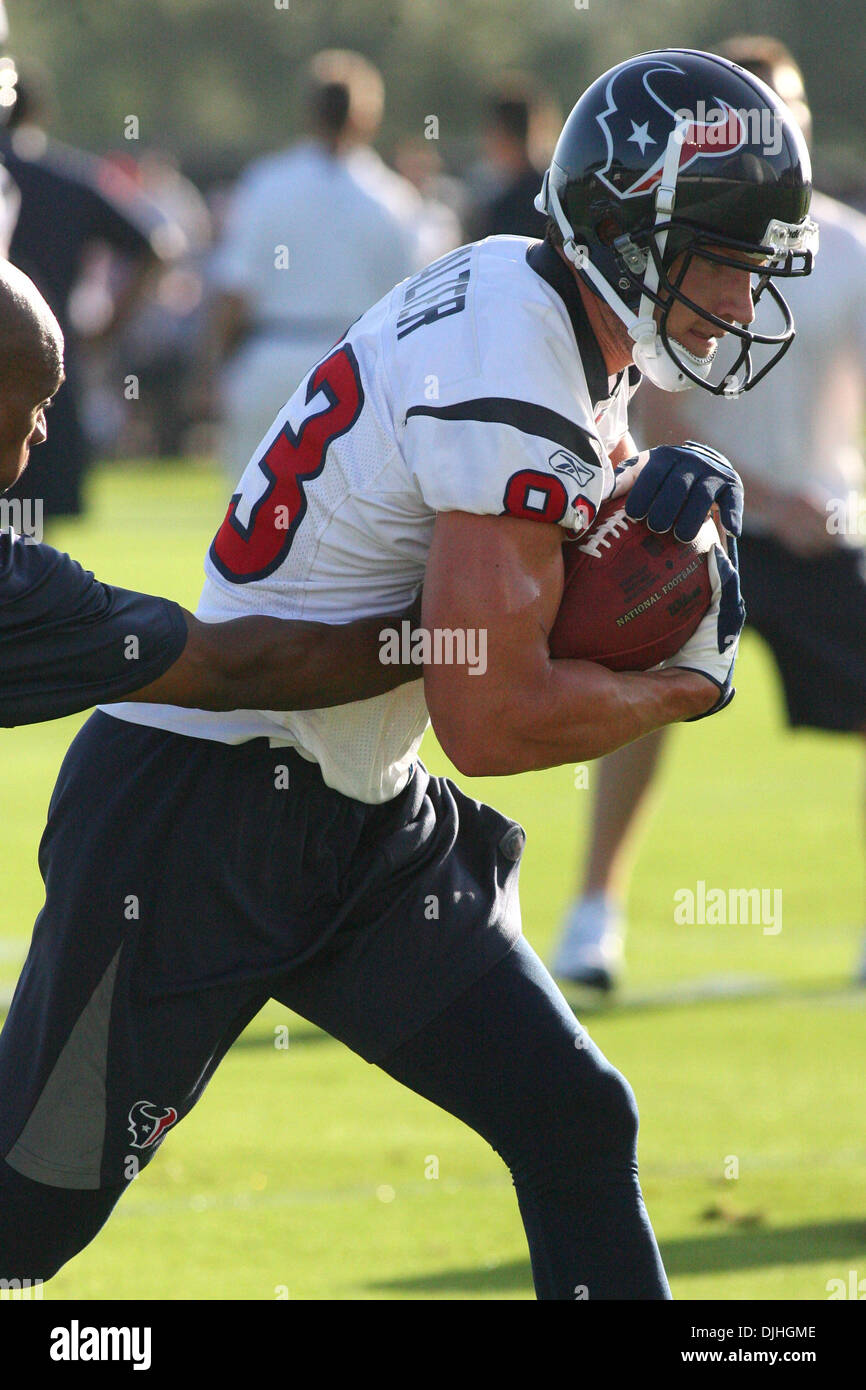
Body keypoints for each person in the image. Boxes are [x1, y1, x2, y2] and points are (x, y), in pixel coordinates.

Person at [0, 50, 815, 1300]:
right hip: (195, 820)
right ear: (630, 231)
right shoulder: (513, 346)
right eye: (722, 249)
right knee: (21, 1222)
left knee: (571, 1116)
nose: (743, 285)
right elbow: (485, 715)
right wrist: (677, 687)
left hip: (355, 811)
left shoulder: (537, 299)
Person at [552, 36, 866, 991]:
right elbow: (670, 410)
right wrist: (768, 501)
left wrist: (841, 507)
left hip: (823, 526)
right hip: (690, 516)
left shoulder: (849, 248)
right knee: (635, 716)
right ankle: (594, 914)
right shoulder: (665, 245)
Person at [0, 258, 420, 725]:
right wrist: (425, 637)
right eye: (38, 401)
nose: (40, 431)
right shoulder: (13, 582)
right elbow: (224, 667)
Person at [207, 48, 421, 480]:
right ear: (367, 117)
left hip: (271, 359)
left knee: (247, 515)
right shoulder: (394, 199)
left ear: (310, 112)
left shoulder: (266, 183)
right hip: (356, 374)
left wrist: (209, 370)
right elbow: (408, 307)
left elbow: (234, 290)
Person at [0, 68, 180, 520]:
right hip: (41, 373)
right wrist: (102, 332)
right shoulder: (67, 179)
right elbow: (156, 246)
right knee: (31, 540)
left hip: (30, 370)